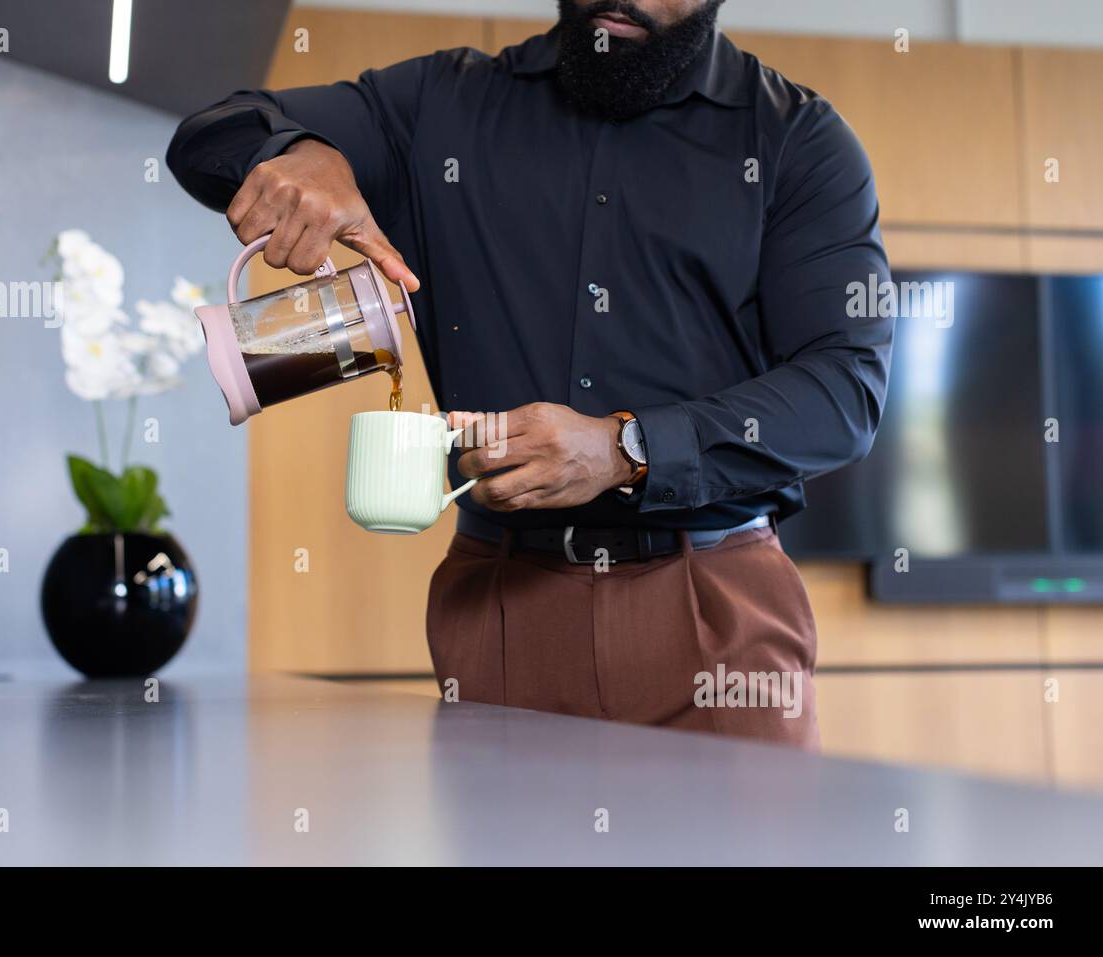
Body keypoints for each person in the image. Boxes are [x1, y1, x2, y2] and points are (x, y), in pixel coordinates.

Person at [167, 0, 893, 749]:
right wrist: (303, 151)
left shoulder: (797, 141)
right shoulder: (437, 106)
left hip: (718, 613)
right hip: (500, 610)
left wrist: (625, 448)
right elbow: (208, 136)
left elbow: (845, 390)